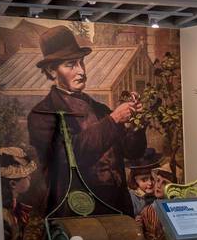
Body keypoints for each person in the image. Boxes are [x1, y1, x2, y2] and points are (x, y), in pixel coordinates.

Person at [24, 25, 143, 217]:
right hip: (78, 210)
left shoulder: (99, 109)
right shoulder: (42, 114)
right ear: (52, 71)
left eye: (81, 63)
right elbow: (68, 155)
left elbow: (133, 152)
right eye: (71, 65)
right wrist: (113, 120)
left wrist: (134, 124)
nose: (81, 71)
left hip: (117, 208)